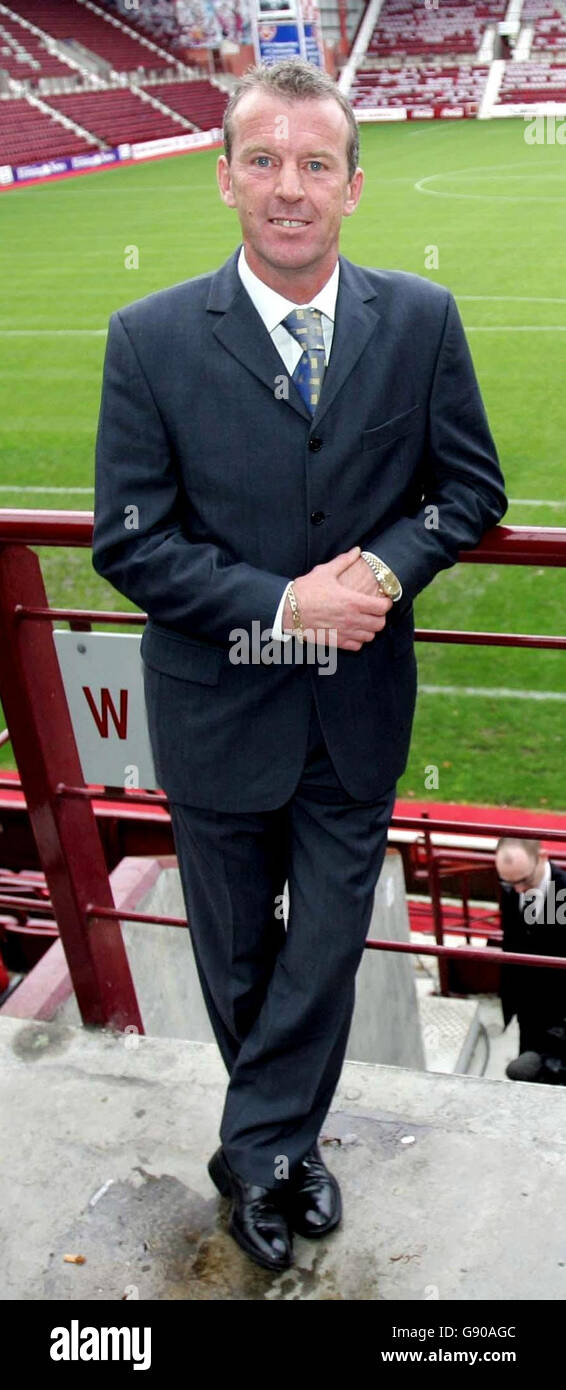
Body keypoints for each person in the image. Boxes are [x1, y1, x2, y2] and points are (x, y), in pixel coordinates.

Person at [92, 58, 507, 1274]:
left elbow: (468, 489)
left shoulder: (419, 321)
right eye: (263, 162)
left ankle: (258, 1149)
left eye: (313, 165)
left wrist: (375, 575)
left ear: (352, 188)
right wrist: (284, 602)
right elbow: (130, 538)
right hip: (217, 710)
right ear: (224, 178)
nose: (288, 188)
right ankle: (282, 1150)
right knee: (235, 959)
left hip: (356, 715)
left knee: (320, 946)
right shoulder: (149, 335)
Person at [496, 838, 566, 1084]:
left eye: (524, 880)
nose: (517, 889)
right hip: (529, 1013)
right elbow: (512, 945)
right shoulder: (513, 888)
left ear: (543, 857)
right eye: (509, 882)